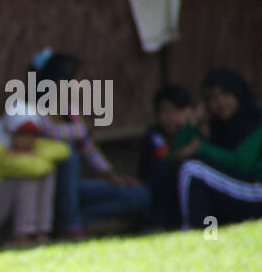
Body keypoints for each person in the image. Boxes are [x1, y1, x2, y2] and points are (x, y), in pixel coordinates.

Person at [25, 50, 149, 237]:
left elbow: (88, 148)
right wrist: (83, 129)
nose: (83, 86)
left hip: (71, 193)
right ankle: (68, 224)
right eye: (79, 80)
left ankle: (70, 221)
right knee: (68, 155)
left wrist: (111, 175)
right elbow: (51, 133)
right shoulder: (33, 111)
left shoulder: (69, 112)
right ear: (61, 83)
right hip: (45, 195)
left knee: (139, 195)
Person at [0, 106, 70, 245]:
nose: (28, 140)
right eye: (22, 134)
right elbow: (38, 167)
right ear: (10, 132)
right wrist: (34, 157)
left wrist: (30, 154)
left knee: (44, 172)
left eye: (32, 134)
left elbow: (64, 149)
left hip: (6, 214)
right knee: (29, 175)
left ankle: (41, 231)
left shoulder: (29, 147)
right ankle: (23, 234)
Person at [175, 68, 262, 230]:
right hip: (240, 188)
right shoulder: (217, 125)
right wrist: (192, 124)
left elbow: (242, 163)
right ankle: (207, 231)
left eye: (225, 95)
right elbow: (176, 156)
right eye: (213, 98)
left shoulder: (256, 119)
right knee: (188, 168)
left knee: (192, 169)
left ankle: (193, 232)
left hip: (257, 187)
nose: (220, 102)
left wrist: (202, 148)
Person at [139, 84, 199, 229]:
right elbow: (169, 159)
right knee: (162, 170)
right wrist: (187, 132)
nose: (170, 117)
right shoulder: (154, 135)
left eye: (176, 111)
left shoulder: (195, 133)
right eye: (165, 111)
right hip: (154, 195)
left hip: (181, 197)